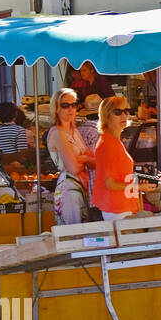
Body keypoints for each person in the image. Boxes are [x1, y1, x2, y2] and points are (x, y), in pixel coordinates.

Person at [92, 96, 147, 220]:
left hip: (122, 206)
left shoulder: (114, 141)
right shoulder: (108, 143)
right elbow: (110, 184)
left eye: (126, 111)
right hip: (117, 208)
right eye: (118, 112)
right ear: (107, 116)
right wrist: (139, 187)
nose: (124, 116)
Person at [47, 87, 96, 225]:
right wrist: (85, 160)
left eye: (74, 104)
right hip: (69, 190)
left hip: (82, 188)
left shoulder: (74, 131)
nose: (71, 109)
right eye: (65, 105)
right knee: (74, 235)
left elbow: (94, 162)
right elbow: (73, 168)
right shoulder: (57, 133)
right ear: (56, 108)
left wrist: (83, 159)